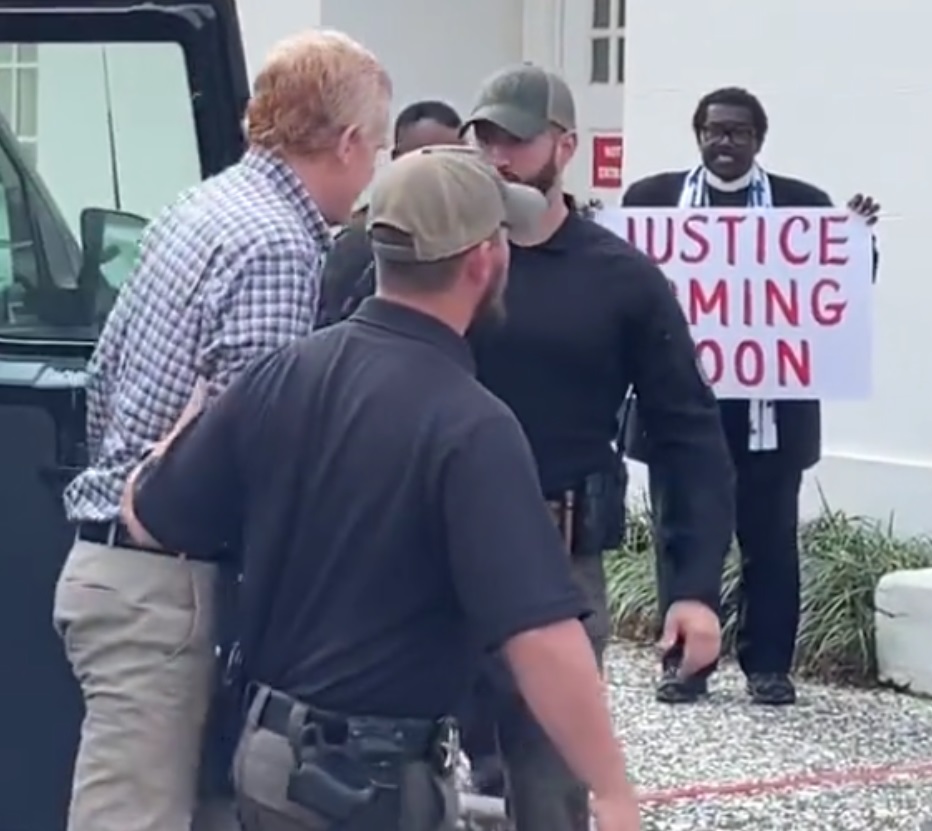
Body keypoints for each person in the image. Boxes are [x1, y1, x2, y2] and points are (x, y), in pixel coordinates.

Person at [117, 146, 642, 831]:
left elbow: (153, 516)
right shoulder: (470, 425)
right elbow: (540, 635)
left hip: (267, 759)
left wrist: (165, 446)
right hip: (368, 782)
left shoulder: (283, 372)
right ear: (484, 260)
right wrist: (612, 790)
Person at [50, 29, 391, 831]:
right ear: (345, 142)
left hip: (119, 564)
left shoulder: (196, 206)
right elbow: (254, 447)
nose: (374, 168)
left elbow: (104, 374)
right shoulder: (277, 244)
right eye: (376, 146)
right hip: (168, 581)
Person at [460, 64, 735, 831]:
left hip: (556, 560)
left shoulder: (620, 280)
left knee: (548, 789)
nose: (498, 157)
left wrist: (694, 586)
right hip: (430, 550)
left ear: (565, 145)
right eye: (484, 138)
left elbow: (687, 432)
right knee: (400, 778)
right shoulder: (440, 258)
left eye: (516, 139)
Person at [621, 86, 879, 706]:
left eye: (737, 132)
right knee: (682, 538)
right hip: (682, 413)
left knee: (770, 540)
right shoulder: (651, 201)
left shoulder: (803, 206)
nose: (724, 142)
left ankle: (768, 665)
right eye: (713, 131)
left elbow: (836, 293)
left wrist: (855, 238)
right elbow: (621, 282)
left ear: (758, 140)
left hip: (772, 414)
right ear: (698, 136)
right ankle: (683, 663)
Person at [317, 99, 465, 327]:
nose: (437, 171)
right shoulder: (359, 240)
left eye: (451, 158)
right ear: (397, 158)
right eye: (425, 158)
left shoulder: (478, 232)